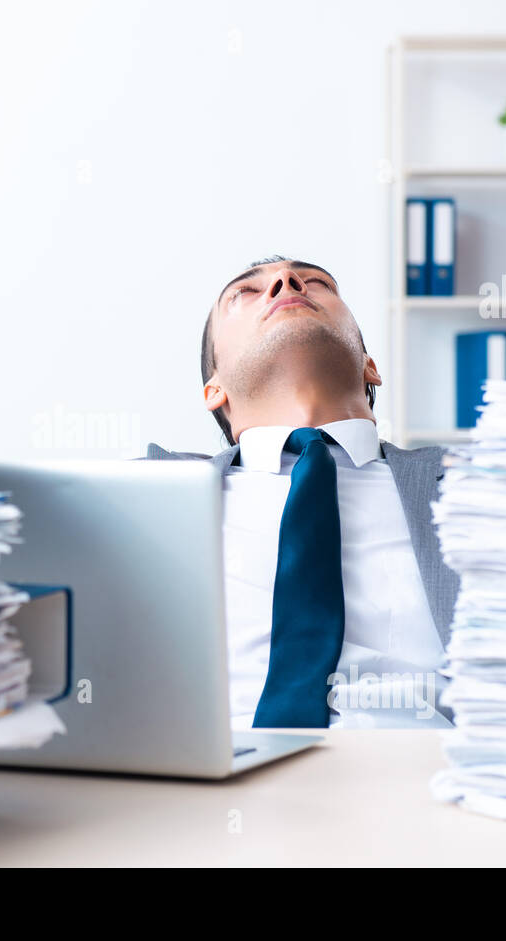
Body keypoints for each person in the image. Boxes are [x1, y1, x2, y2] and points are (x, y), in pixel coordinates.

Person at [147, 256, 459, 728]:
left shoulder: (471, 488)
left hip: (426, 779)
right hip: (203, 786)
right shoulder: (141, 496)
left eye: (316, 282)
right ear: (213, 389)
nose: (285, 282)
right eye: (245, 293)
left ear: (370, 367)